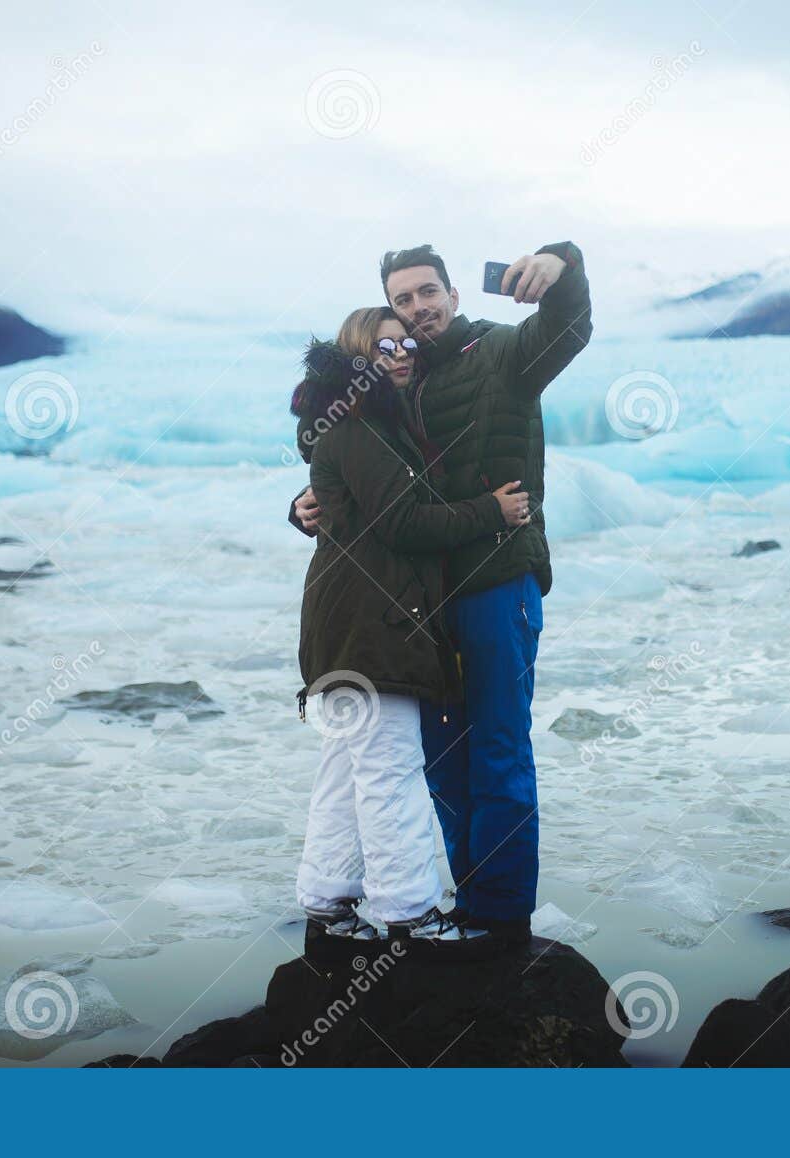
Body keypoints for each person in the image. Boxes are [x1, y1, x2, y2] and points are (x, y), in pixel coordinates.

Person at [292, 243, 592, 951]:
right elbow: (358, 484)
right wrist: (305, 505)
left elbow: (568, 327)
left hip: (495, 582)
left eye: (429, 292)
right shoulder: (389, 389)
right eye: (402, 299)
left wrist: (562, 265)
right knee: (440, 759)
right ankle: (457, 903)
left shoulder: (502, 355)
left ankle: (499, 912)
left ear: (455, 295)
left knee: (497, 748)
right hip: (421, 605)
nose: (418, 308)